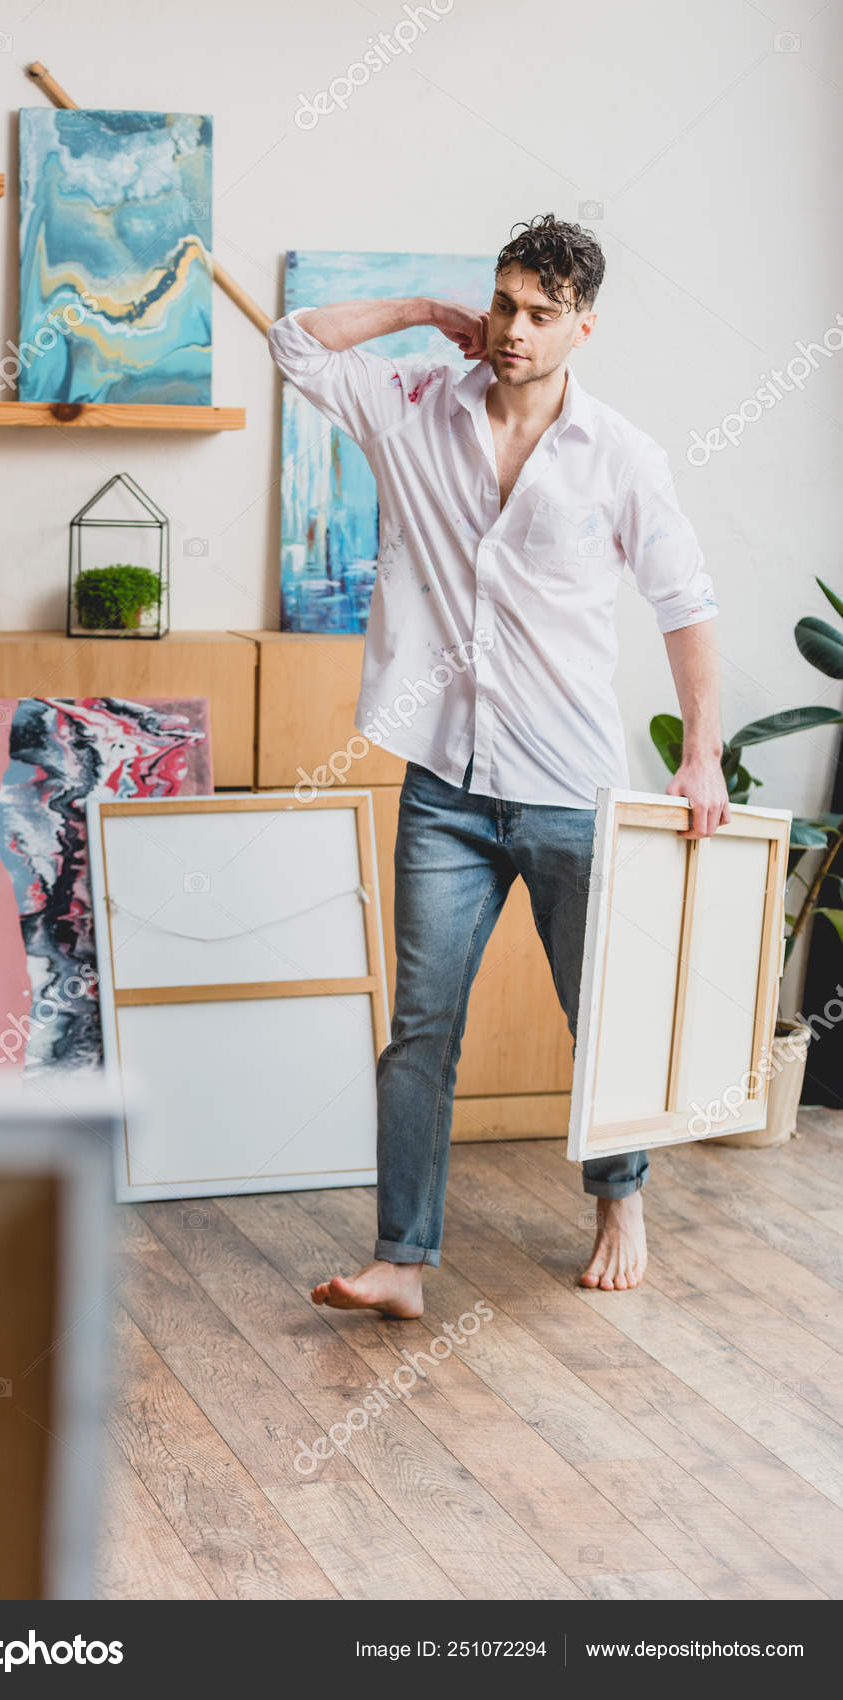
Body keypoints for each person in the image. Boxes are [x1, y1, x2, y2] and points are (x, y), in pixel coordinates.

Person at [267, 214, 730, 1316]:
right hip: (445, 785)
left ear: (583, 326)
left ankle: (620, 1196)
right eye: (503, 302)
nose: (514, 329)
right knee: (422, 1025)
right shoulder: (417, 408)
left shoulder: (621, 456)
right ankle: (402, 1261)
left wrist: (702, 755)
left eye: (538, 313)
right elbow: (295, 341)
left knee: (596, 1008)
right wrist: (430, 313)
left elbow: (686, 606)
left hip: (571, 785)